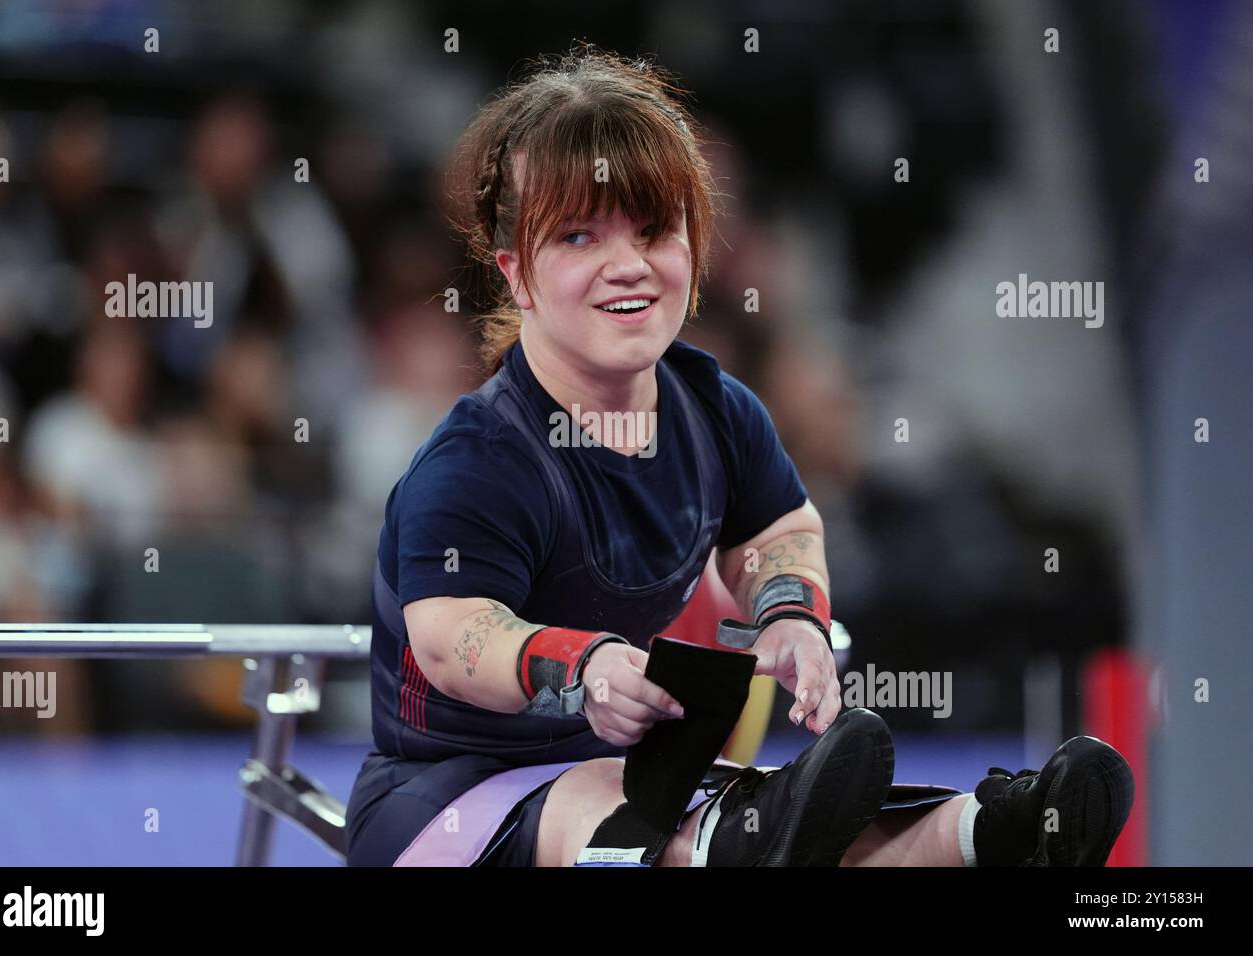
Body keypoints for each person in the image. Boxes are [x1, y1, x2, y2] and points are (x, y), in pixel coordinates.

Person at [345, 45, 1133, 867]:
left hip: (641, 774)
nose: (629, 265)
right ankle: (748, 839)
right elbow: (452, 638)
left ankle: (989, 832)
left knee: (721, 810)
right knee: (644, 805)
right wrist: (585, 667)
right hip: (446, 798)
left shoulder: (715, 409)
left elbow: (783, 528)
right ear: (516, 275)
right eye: (580, 236)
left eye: (654, 230)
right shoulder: (478, 460)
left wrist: (789, 612)